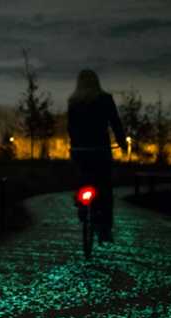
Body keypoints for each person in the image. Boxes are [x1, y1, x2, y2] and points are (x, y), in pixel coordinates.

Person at [67, 69, 127, 243]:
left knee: (81, 177)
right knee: (105, 187)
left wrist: (75, 145)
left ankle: (81, 204)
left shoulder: (73, 101)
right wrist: (122, 143)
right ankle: (105, 229)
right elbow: (115, 122)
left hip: (80, 150)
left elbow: (70, 127)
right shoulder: (105, 99)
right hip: (100, 149)